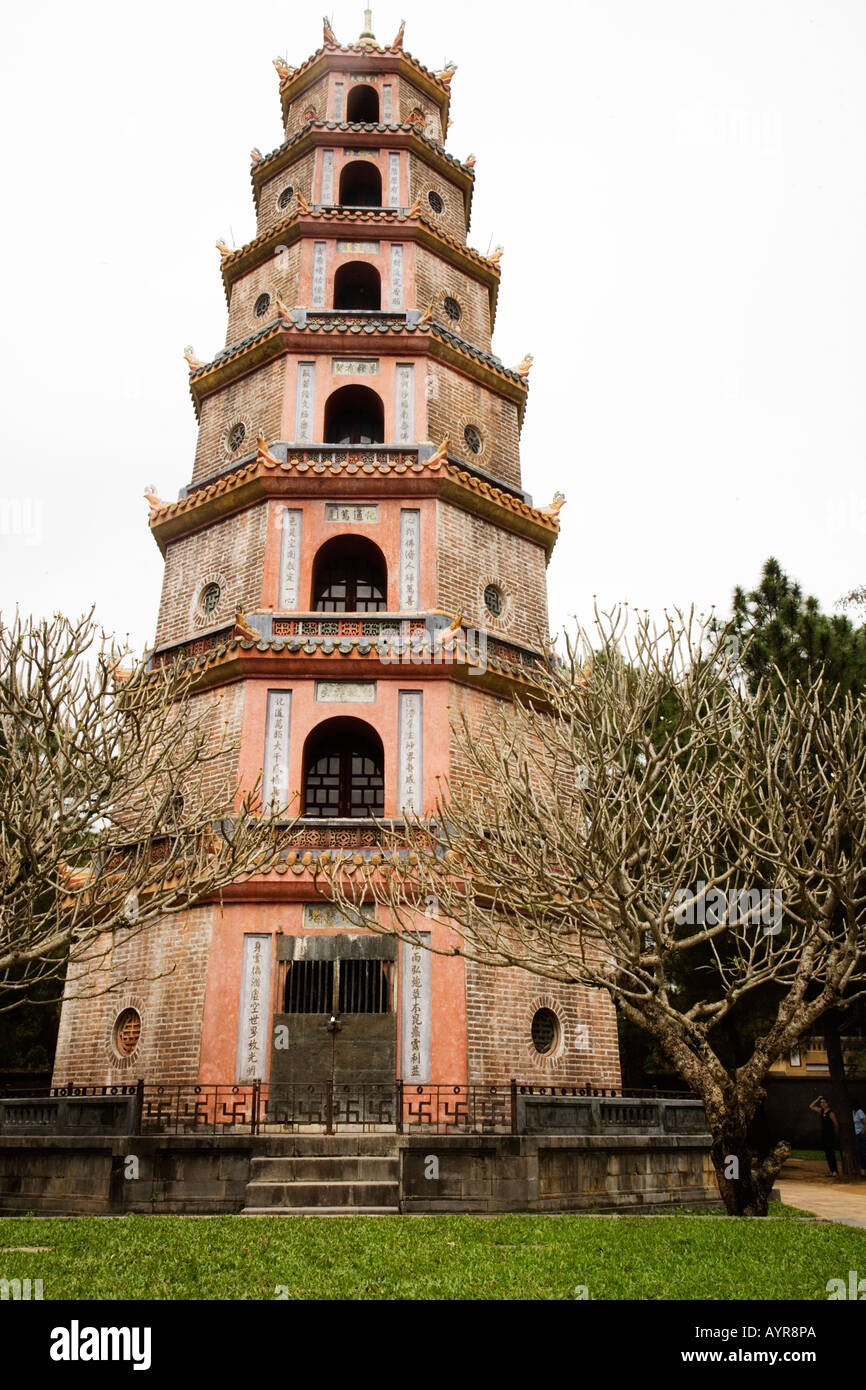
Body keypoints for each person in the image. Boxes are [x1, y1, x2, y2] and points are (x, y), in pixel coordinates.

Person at [809, 1096, 839, 1177]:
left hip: (830, 1135)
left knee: (831, 1153)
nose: (822, 1104)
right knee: (827, 1153)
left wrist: (835, 1134)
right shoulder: (821, 1111)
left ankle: (835, 1171)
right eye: (821, 1102)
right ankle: (831, 1171)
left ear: (827, 1103)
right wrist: (817, 1099)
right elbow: (811, 1106)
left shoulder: (831, 1112)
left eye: (824, 1102)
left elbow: (836, 1124)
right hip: (824, 1134)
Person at [853, 1105, 866, 1177]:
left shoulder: (859, 1111)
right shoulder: (853, 1112)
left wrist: (863, 1132)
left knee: (864, 1152)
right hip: (857, 1134)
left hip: (862, 1134)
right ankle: (863, 1171)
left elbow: (865, 1122)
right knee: (860, 1153)